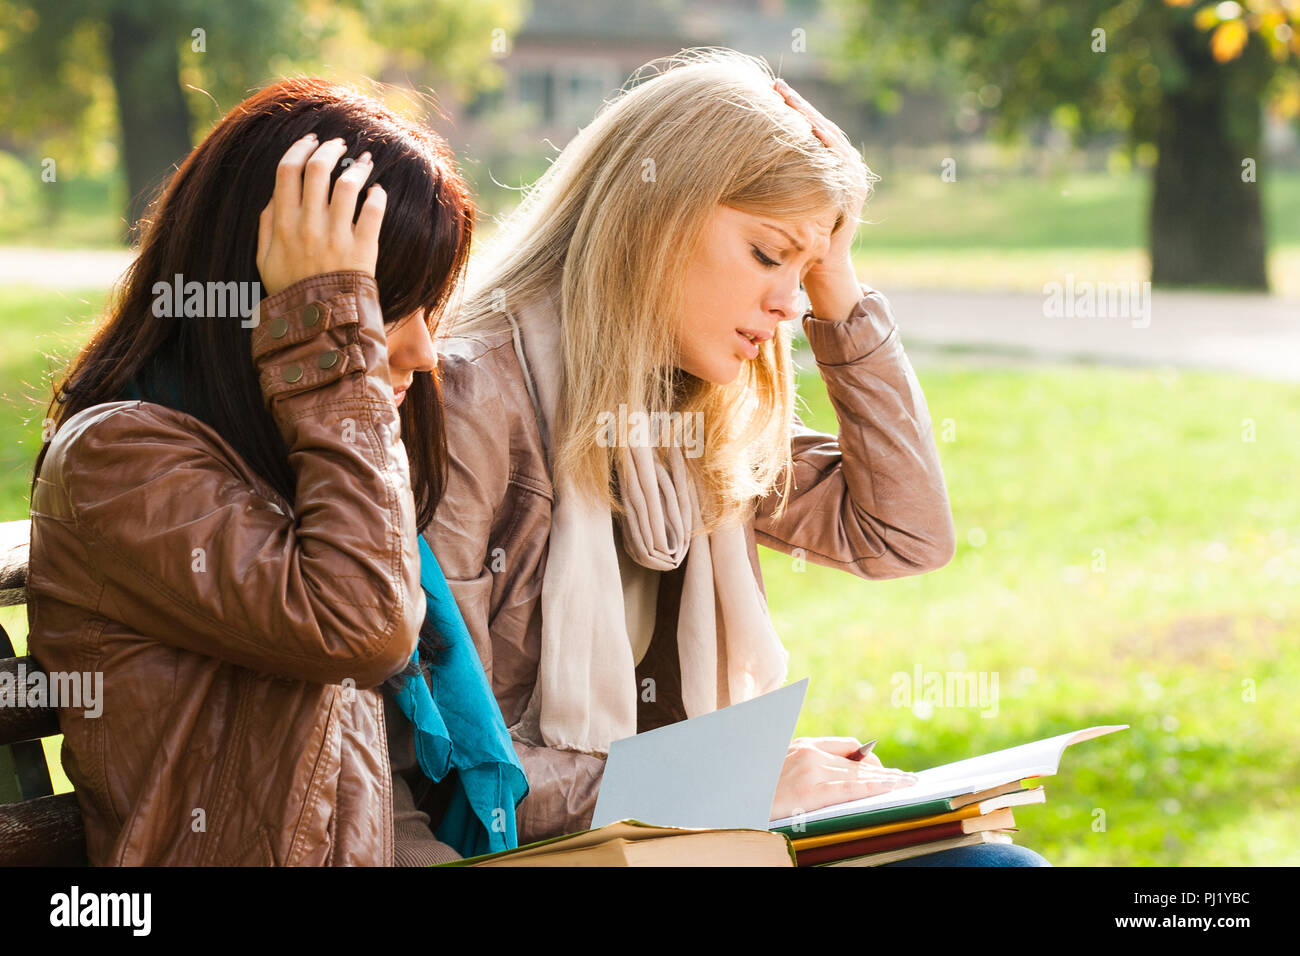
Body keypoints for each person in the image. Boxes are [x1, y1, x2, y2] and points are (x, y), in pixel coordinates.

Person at [428, 49, 1048, 865]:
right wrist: (734, 781)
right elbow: (453, 769)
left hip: (687, 832)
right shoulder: (471, 394)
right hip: (541, 849)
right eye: (767, 255)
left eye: (807, 270)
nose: (790, 302)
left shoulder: (689, 403)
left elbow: (902, 534)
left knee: (992, 865)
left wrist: (841, 287)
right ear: (652, 219)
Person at [25, 78, 524, 866]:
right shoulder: (118, 463)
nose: (423, 353)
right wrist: (328, 334)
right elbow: (361, 623)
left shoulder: (306, 465)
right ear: (270, 295)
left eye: (431, 310)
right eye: (382, 307)